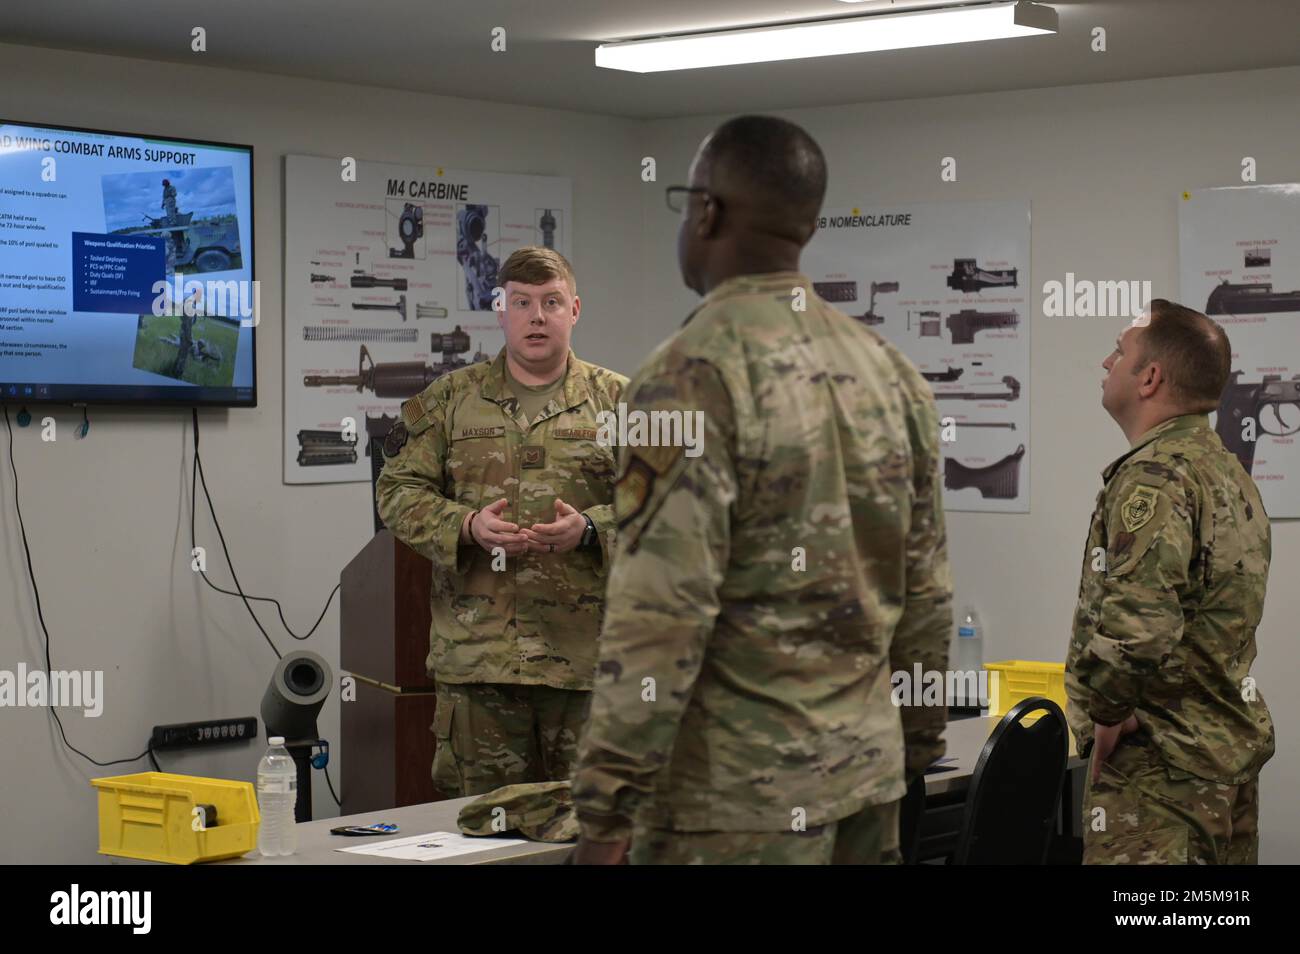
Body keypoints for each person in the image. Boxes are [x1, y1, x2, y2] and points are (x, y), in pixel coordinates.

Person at [570, 115, 953, 865]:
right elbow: (927, 595)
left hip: (735, 806)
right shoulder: (890, 370)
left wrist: (606, 811)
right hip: (866, 786)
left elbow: (662, 612)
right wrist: (913, 745)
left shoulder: (687, 376)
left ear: (707, 211)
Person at [376, 246, 628, 797]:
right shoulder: (449, 399)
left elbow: (673, 504)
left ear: (575, 310)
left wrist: (590, 529)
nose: (536, 317)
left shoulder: (620, 401)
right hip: (479, 668)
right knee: (480, 839)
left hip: (586, 667)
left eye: (551, 302)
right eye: (522, 302)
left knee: (593, 835)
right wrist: (465, 526)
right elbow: (396, 491)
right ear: (500, 310)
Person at [1066, 300, 1273, 864]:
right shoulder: (1227, 471)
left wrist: (1105, 714)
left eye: (1119, 351)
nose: (1106, 362)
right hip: (1221, 762)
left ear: (1150, 378)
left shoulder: (1155, 477)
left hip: (1162, 777)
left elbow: (1141, 628)